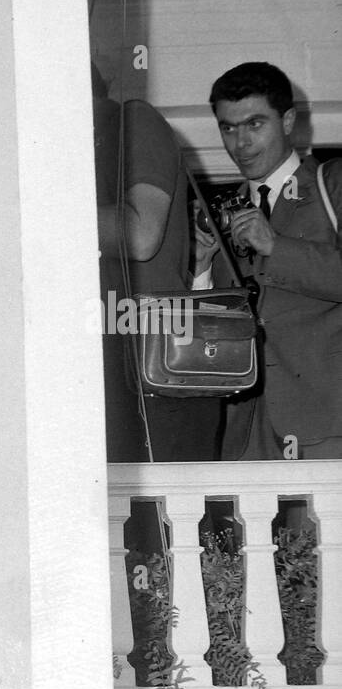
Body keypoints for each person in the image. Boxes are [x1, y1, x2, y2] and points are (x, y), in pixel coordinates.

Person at [196, 62, 342, 461]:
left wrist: (275, 245)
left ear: (289, 121)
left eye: (254, 124)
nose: (240, 143)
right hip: (245, 434)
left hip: (327, 425)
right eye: (228, 128)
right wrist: (201, 268)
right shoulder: (224, 212)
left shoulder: (332, 185)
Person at [92, 66, 224, 461]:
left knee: (164, 517)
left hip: (157, 367)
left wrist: (29, 208)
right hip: (116, 360)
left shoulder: (131, 119)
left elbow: (142, 233)